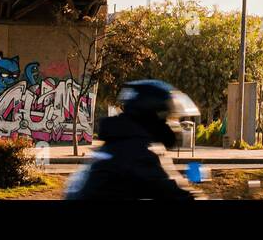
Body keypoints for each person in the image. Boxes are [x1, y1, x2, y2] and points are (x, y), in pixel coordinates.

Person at [65, 80, 202, 200]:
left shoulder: (114, 145)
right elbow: (173, 193)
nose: (170, 125)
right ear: (152, 116)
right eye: (167, 117)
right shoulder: (139, 154)